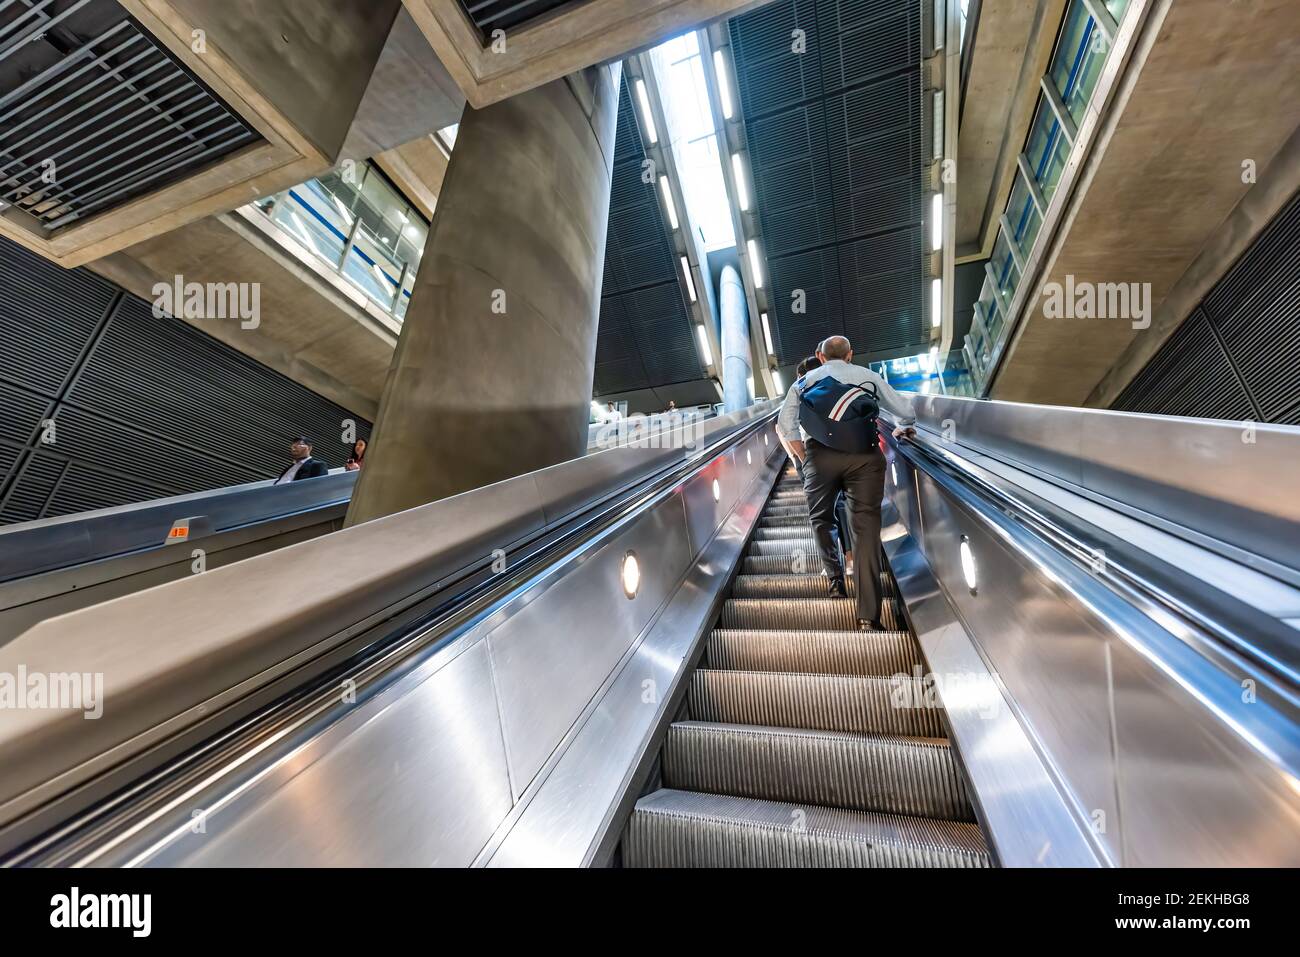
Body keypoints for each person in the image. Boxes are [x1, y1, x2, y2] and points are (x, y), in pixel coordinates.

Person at [777, 335, 917, 630]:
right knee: (866, 530)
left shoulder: (802, 383)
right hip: (865, 456)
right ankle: (868, 616)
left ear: (822, 356)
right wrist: (903, 428)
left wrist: (806, 457)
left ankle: (835, 580)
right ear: (850, 354)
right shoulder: (867, 376)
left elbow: (785, 425)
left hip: (819, 457)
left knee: (822, 519)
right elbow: (905, 412)